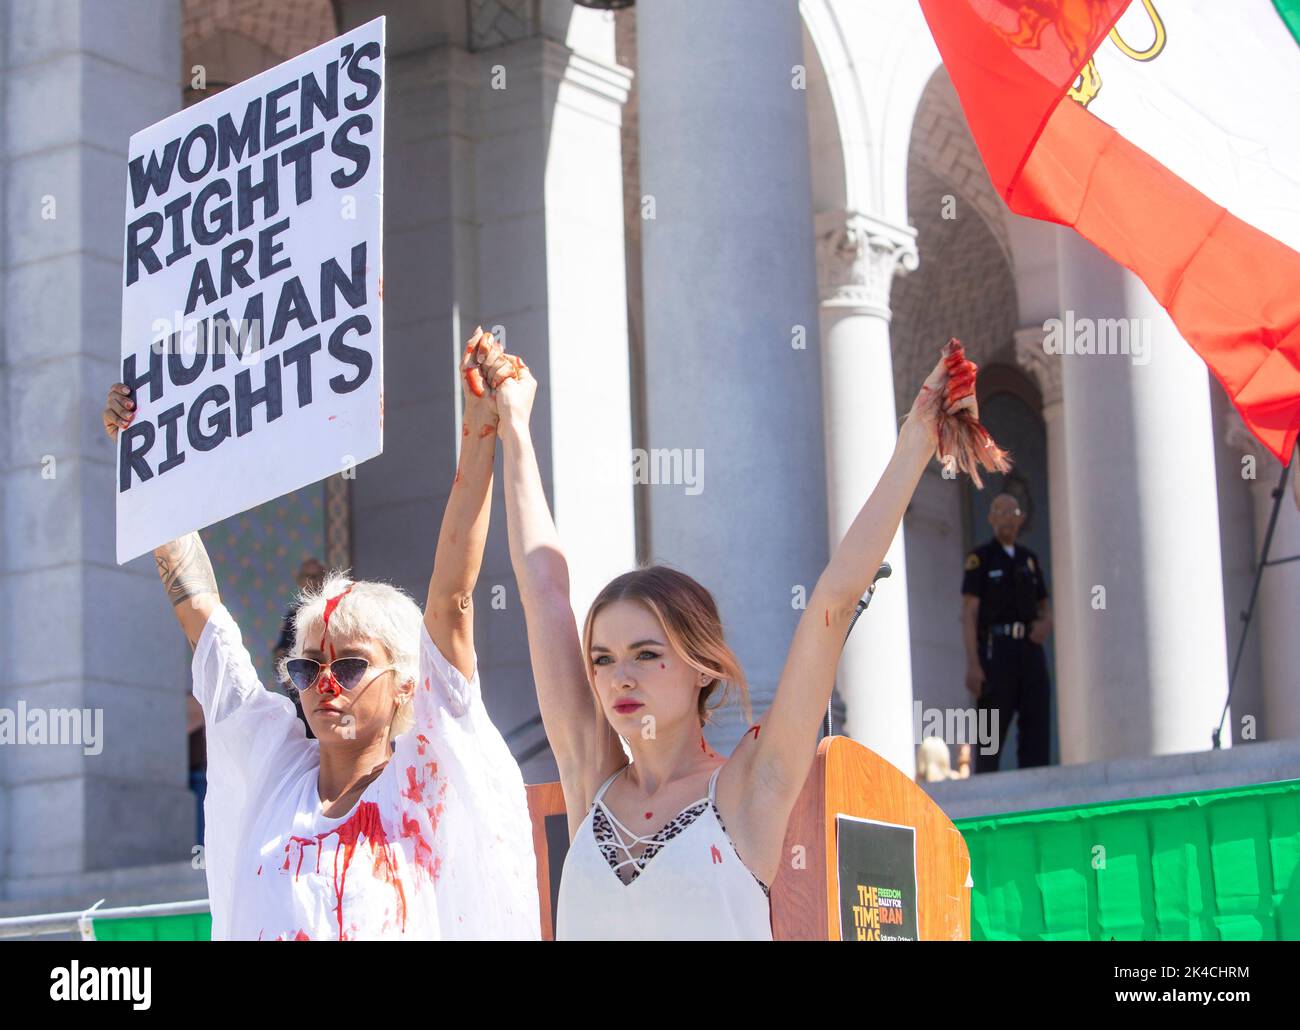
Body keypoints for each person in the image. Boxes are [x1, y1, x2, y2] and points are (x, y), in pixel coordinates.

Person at [472, 336, 977, 940]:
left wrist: (918, 437)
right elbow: (543, 593)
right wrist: (516, 427)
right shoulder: (589, 779)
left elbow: (833, 604)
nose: (619, 677)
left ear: (702, 667)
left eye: (647, 654)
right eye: (602, 659)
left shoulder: (748, 787)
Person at [100, 326, 538, 940]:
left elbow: (453, 598)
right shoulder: (273, 762)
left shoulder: (426, 772)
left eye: (352, 666)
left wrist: (482, 424)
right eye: (307, 668)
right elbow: (202, 615)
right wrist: (143, 455)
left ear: (407, 686)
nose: (325, 684)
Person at [961, 493, 1053, 773]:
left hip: (1029, 648)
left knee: (1036, 718)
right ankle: (986, 787)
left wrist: (1045, 624)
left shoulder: (1029, 560)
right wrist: (974, 664)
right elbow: (969, 613)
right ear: (990, 519)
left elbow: (1044, 605)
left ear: (1021, 519)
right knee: (991, 728)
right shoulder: (981, 558)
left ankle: (1037, 783)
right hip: (996, 650)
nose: (1006, 519)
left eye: (1012, 514)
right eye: (999, 513)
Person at [273, 557, 327, 739]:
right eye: (307, 577)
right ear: (300, 581)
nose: (312, 582)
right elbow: (280, 655)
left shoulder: (332, 612)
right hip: (303, 691)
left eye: (316, 576)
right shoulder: (294, 616)